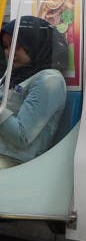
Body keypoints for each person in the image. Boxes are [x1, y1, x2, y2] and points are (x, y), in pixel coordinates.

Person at [0, 16, 67, 168]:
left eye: (16, 46)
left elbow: (21, 136)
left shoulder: (49, 81)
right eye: (5, 46)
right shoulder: (13, 76)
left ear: (34, 45)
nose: (9, 52)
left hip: (17, 163)